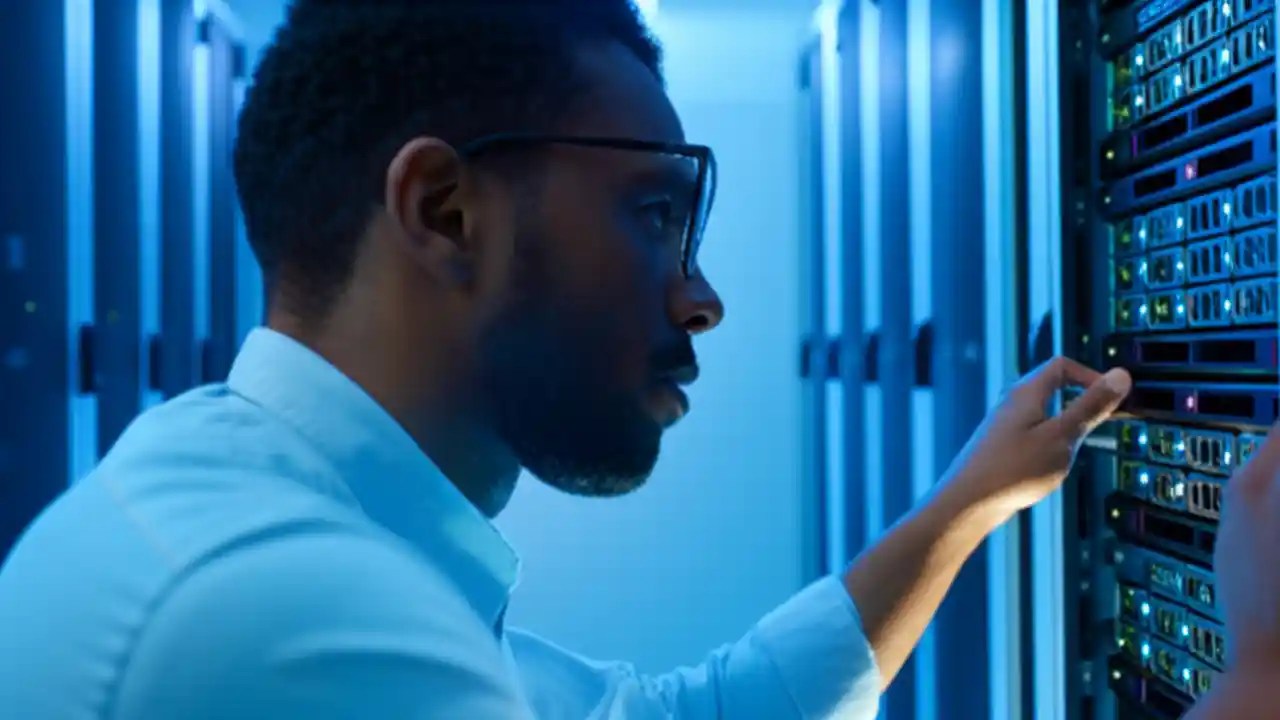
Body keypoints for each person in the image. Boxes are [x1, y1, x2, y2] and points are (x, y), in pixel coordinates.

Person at [0, 0, 1271, 717]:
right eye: (654, 213)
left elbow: (688, 717)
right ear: (443, 212)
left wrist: (966, 504)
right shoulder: (279, 615)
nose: (701, 299)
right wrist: (1261, 663)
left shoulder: (269, 512)